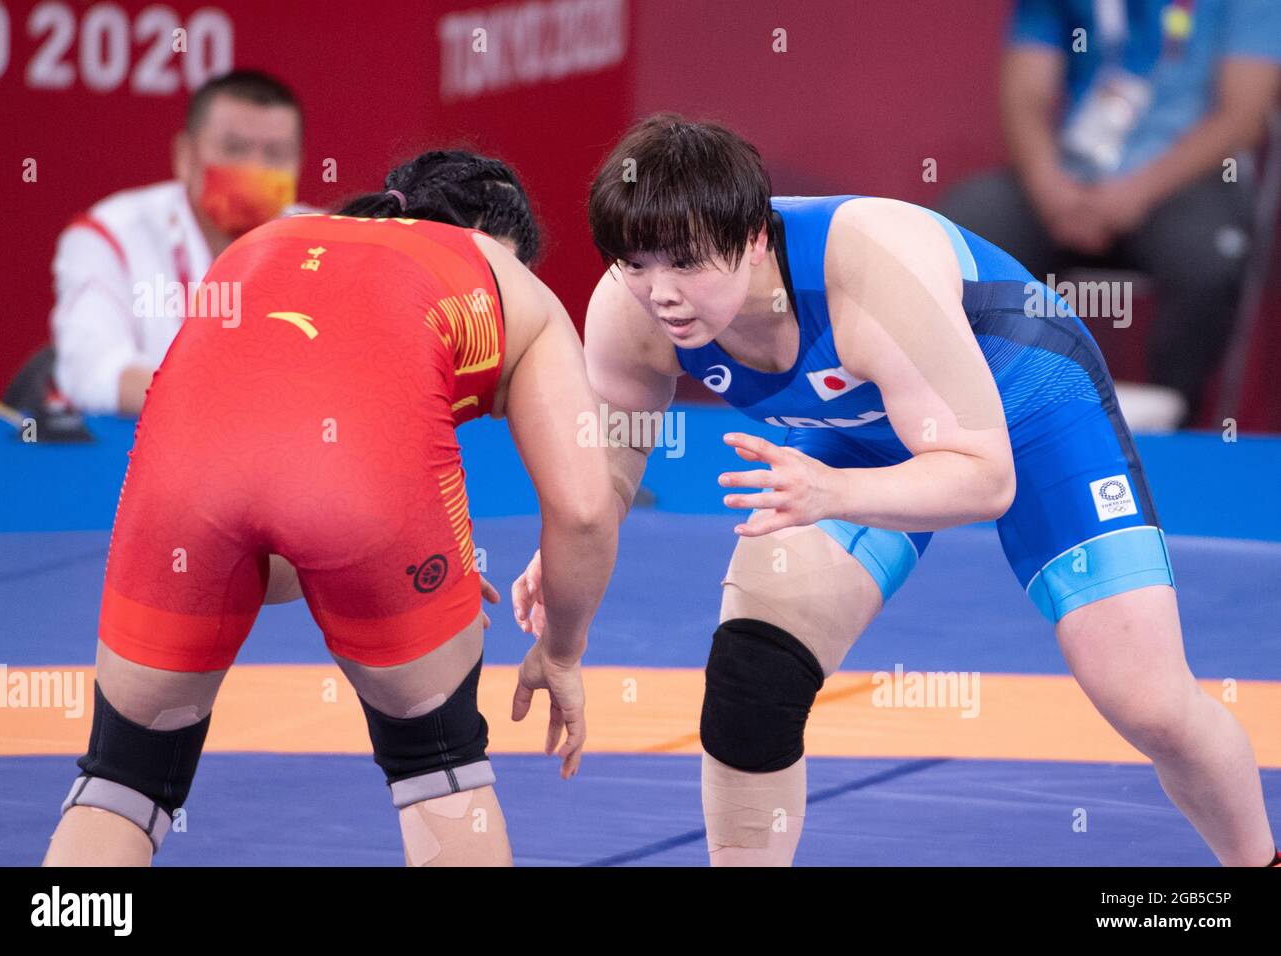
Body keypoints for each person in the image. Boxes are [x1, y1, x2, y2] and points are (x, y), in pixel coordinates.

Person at [513, 114, 1280, 867]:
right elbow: (602, 479)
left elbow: (985, 480)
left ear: (752, 240)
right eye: (634, 263)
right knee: (754, 677)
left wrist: (834, 492)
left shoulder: (867, 272)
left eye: (682, 263)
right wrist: (571, 566)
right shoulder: (630, 312)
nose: (659, 293)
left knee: (1146, 701)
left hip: (1026, 408)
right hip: (849, 428)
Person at [44, 150, 619, 867]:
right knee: (438, 772)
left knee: (121, 782)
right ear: (486, 235)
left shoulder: (261, 246)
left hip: (175, 492)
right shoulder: (508, 283)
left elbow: (262, 525)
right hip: (367, 501)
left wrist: (420, 559)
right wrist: (559, 650)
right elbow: (587, 511)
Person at [939, 0, 1281, 430]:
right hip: (1068, 179)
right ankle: (979, 419)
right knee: (963, 229)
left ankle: (1175, 426)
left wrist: (1133, 194)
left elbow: (1241, 117)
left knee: (1209, 258)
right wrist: (1051, 191)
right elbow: (1025, 95)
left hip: (1184, 184)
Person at [51, 69, 307, 415]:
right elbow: (93, 373)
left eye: (275, 154)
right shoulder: (112, 234)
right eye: (234, 149)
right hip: (131, 459)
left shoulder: (326, 243)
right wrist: (226, 405)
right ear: (185, 156)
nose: (254, 168)